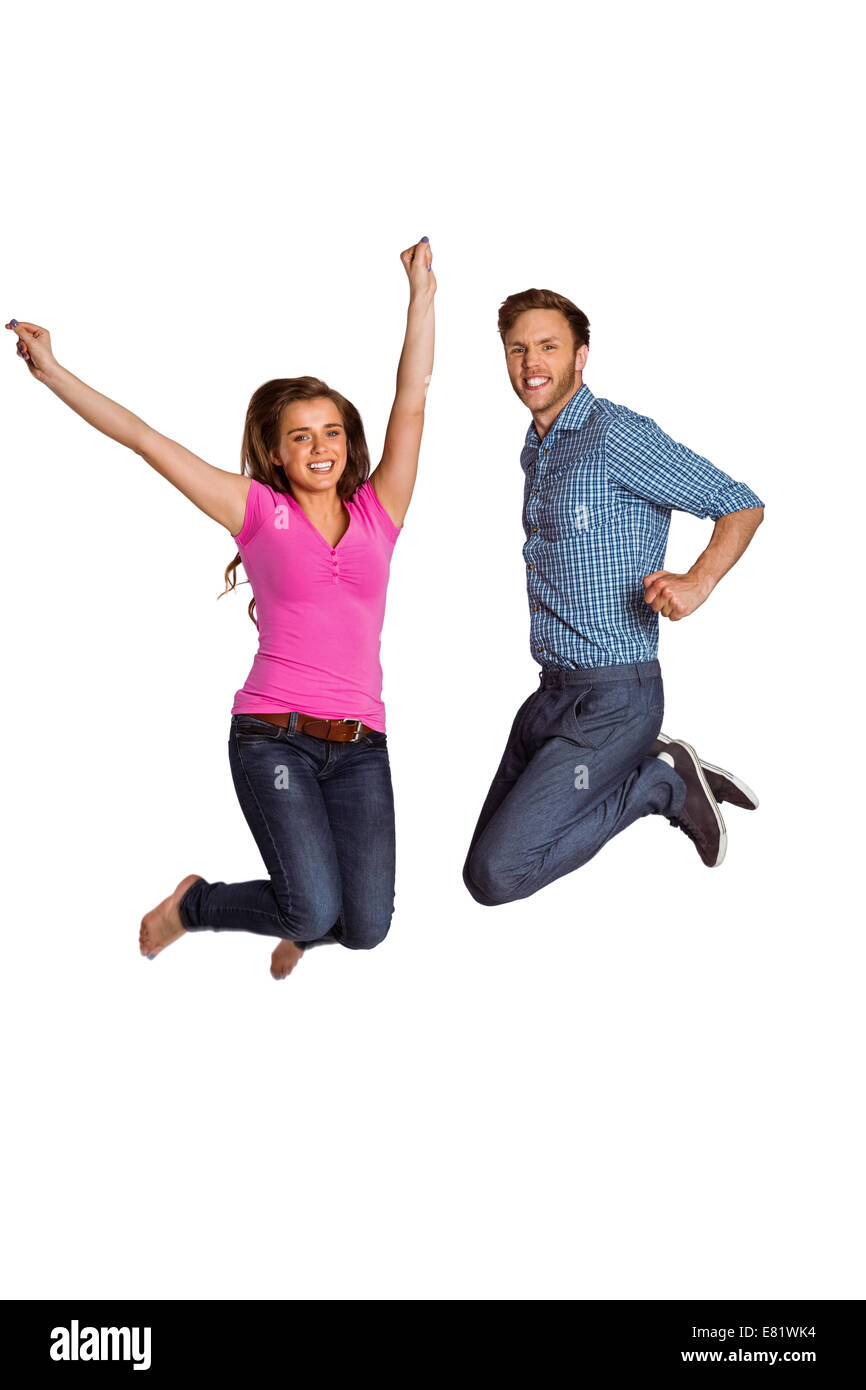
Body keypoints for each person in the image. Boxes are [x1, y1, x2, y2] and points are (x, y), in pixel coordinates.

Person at [6, 237, 436, 979]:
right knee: (311, 908)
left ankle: (306, 915)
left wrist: (421, 297)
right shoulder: (255, 510)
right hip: (273, 736)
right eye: (300, 437)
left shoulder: (380, 511)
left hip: (362, 746)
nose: (320, 446)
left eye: (331, 432)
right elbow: (145, 439)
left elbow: (413, 398)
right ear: (275, 454)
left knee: (365, 929)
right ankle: (195, 907)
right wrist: (52, 373)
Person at [463, 288, 764, 906]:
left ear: (581, 356)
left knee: (500, 875)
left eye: (548, 346)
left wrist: (698, 580)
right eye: (517, 349)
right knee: (479, 870)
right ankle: (646, 765)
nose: (531, 362)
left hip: (613, 700)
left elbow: (741, 503)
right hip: (549, 697)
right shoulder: (538, 447)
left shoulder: (614, 434)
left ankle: (662, 785)